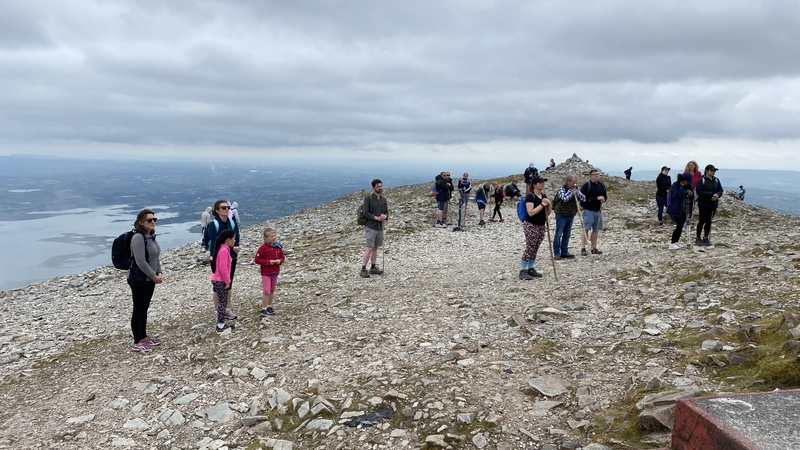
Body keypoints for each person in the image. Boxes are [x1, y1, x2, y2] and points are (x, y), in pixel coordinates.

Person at [128, 209, 163, 352]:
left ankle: (143, 336)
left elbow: (155, 257)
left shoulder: (150, 236)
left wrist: (159, 272)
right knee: (139, 308)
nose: (153, 222)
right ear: (141, 222)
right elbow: (140, 261)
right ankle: (137, 341)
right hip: (139, 279)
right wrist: (153, 275)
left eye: (154, 219)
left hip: (149, 279)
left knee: (144, 307)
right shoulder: (138, 237)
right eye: (149, 220)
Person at [205, 200, 240, 320]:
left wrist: (233, 254)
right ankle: (218, 310)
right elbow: (216, 242)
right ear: (217, 210)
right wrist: (232, 250)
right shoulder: (213, 225)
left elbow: (236, 238)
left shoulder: (232, 222)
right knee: (218, 284)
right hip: (217, 258)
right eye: (223, 207)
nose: (226, 209)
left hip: (231, 258)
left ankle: (226, 309)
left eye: (228, 207)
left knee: (229, 283)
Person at [519, 175, 550, 280]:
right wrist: (542, 204)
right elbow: (531, 212)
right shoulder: (530, 196)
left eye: (543, 182)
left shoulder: (543, 195)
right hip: (531, 225)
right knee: (530, 247)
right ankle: (523, 270)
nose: (543, 184)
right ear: (535, 185)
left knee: (536, 247)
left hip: (541, 225)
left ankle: (531, 268)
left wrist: (549, 204)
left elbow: (547, 213)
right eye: (541, 182)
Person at [551, 174, 586, 259]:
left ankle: (564, 252)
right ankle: (556, 253)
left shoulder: (576, 189)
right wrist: (571, 192)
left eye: (576, 183)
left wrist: (577, 193)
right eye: (573, 183)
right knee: (558, 234)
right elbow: (564, 198)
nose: (575, 184)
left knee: (567, 234)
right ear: (568, 182)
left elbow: (584, 198)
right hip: (561, 214)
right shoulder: (561, 189)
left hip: (571, 214)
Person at [360, 179, 388, 278]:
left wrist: (385, 216)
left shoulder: (383, 199)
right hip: (371, 227)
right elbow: (365, 212)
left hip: (379, 227)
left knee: (375, 247)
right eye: (378, 186)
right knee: (369, 248)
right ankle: (363, 269)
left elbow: (386, 212)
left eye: (381, 186)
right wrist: (376, 218)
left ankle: (373, 267)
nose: (380, 188)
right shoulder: (368, 199)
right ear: (373, 188)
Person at [254, 228, 285, 316]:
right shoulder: (263, 248)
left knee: (272, 290)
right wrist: (268, 262)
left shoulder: (278, 247)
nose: (273, 238)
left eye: (274, 236)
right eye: (271, 236)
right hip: (266, 272)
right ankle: (263, 308)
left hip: (275, 271)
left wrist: (279, 261)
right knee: (266, 290)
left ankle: (269, 306)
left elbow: (282, 257)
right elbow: (257, 260)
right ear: (266, 238)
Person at [211, 229, 236, 333]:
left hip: (216, 279)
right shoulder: (224, 250)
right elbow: (223, 268)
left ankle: (221, 323)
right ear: (228, 240)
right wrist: (227, 281)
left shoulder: (221, 248)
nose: (234, 241)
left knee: (222, 302)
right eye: (233, 239)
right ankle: (220, 325)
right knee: (222, 303)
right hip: (220, 280)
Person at [580, 169, 607, 256]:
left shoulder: (601, 185)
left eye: (598, 174)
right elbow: (582, 198)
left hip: (598, 210)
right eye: (595, 174)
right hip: (588, 210)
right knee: (586, 229)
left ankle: (593, 248)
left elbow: (605, 196)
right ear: (591, 176)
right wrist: (596, 199)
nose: (597, 176)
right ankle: (583, 248)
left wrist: (604, 199)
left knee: (596, 229)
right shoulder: (586, 186)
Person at [695, 164, 724, 246]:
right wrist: (711, 194)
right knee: (702, 221)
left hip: (713, 204)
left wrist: (717, 195)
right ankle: (698, 238)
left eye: (714, 171)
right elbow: (699, 191)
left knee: (709, 221)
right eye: (712, 170)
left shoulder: (716, 180)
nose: (713, 172)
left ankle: (706, 237)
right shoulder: (702, 180)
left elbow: (720, 190)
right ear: (706, 171)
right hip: (704, 204)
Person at [667, 173, 694, 249]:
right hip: (676, 208)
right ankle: (672, 243)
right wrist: (683, 190)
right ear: (683, 180)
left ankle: (676, 241)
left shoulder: (688, 186)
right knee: (679, 225)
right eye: (687, 181)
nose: (688, 183)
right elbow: (676, 195)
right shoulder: (676, 185)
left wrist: (691, 195)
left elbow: (692, 196)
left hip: (685, 209)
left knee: (681, 225)